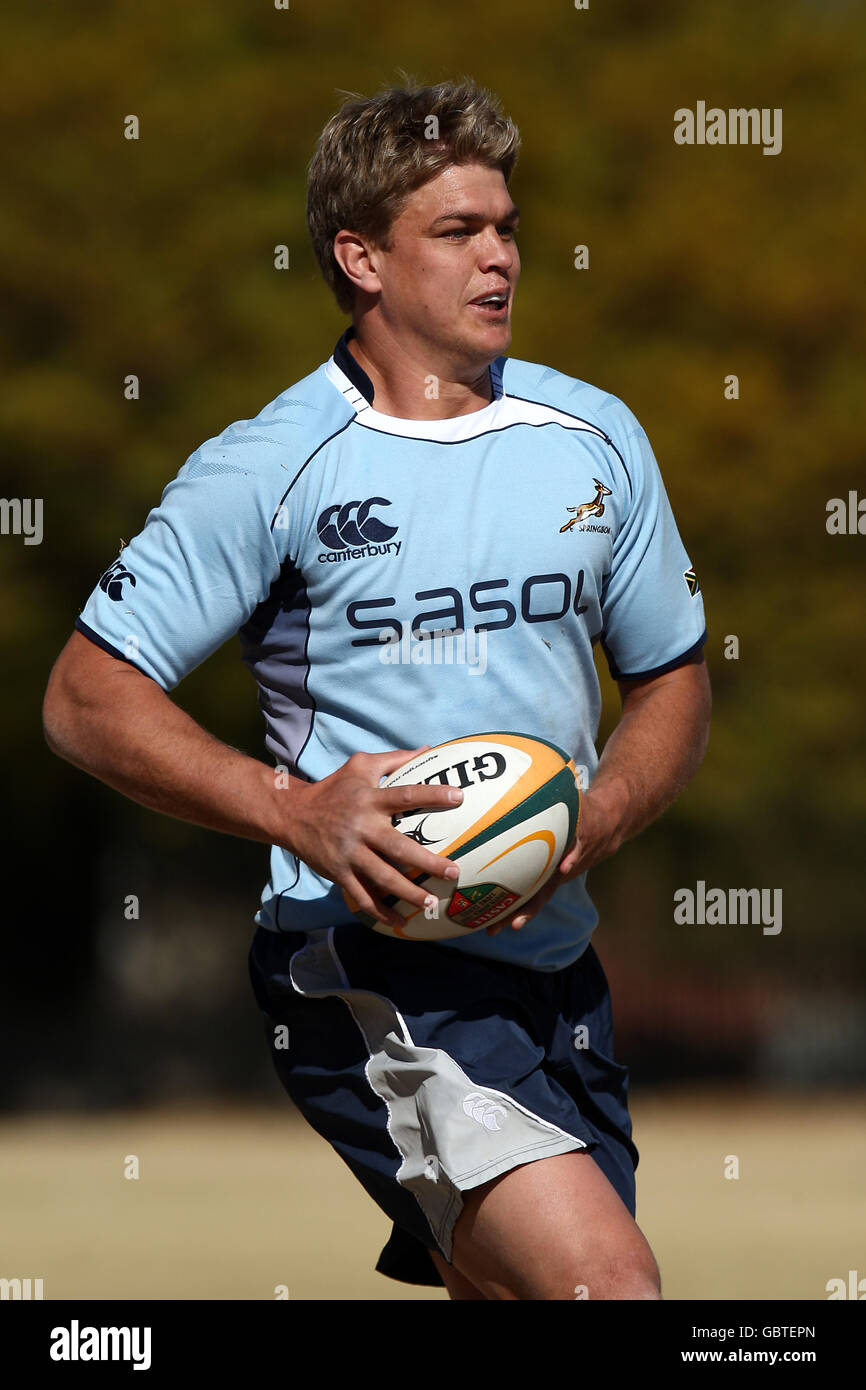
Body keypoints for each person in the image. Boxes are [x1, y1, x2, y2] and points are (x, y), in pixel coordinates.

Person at [43, 78, 711, 1300]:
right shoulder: (269, 468)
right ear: (359, 256)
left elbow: (671, 678)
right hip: (362, 970)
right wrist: (295, 810)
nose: (501, 255)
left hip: (560, 977)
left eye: (505, 225)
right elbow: (84, 697)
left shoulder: (595, 436)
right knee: (607, 1288)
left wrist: (601, 812)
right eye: (458, 233)